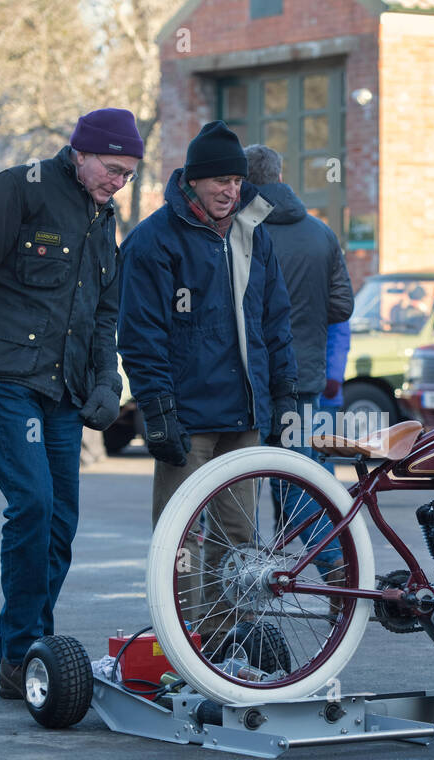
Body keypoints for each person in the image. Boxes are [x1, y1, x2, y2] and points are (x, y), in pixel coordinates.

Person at [0, 107, 139, 699]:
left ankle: (35, 650)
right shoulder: (16, 191)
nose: (117, 181)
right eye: (111, 168)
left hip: (65, 393)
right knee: (33, 505)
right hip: (7, 381)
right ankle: (21, 651)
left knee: (62, 522)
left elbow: (104, 310)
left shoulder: (104, 219)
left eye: (127, 174)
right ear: (80, 151)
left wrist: (107, 380)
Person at [117, 120, 296, 644]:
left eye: (237, 181)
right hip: (186, 419)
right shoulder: (152, 241)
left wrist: (282, 395)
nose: (230, 191)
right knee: (181, 540)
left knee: (238, 538)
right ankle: (182, 644)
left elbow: (274, 321)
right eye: (219, 180)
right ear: (192, 181)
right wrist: (157, 407)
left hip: (243, 416)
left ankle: (224, 643)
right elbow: (140, 334)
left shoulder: (252, 234)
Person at [243, 142, 353, 574]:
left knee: (243, 483)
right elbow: (342, 305)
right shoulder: (320, 232)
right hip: (303, 378)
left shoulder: (242, 229)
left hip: (249, 378)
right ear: (281, 176)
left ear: (246, 182)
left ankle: (328, 564)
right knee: (296, 477)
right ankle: (330, 563)